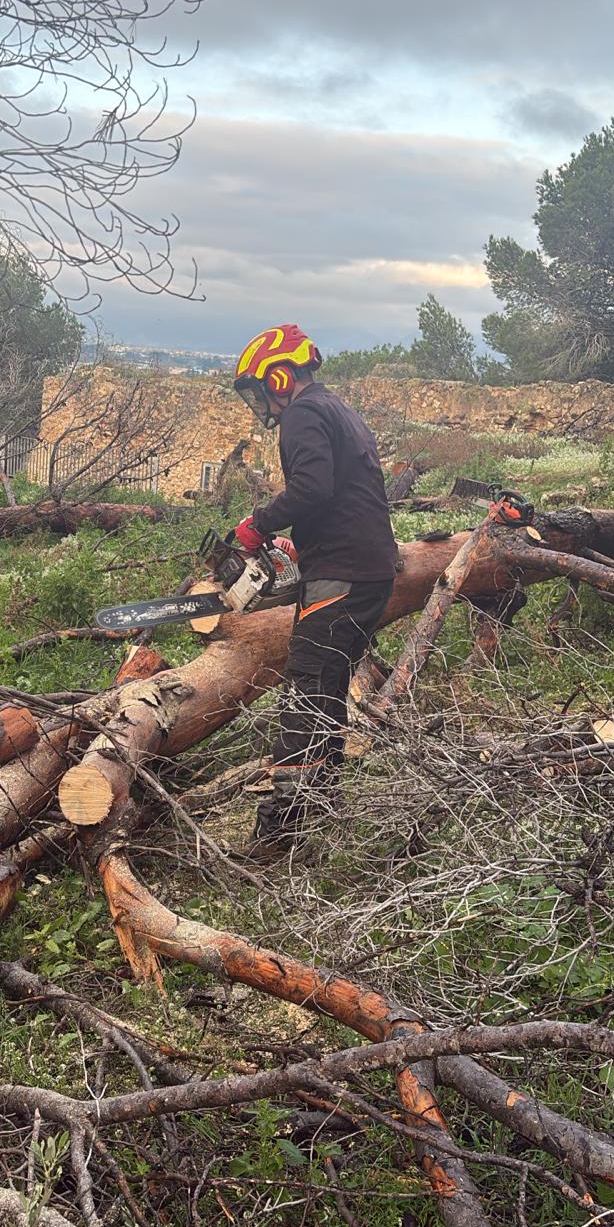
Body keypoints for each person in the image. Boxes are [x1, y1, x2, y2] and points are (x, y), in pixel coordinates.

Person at [232, 323, 397, 858]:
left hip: (343, 574)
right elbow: (343, 495)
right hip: (368, 569)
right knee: (326, 690)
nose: (263, 404)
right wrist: (306, 545)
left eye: (261, 391)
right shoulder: (338, 409)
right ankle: (319, 809)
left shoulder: (303, 414)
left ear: (279, 378)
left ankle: (281, 832)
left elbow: (312, 488)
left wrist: (259, 523)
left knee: (305, 692)